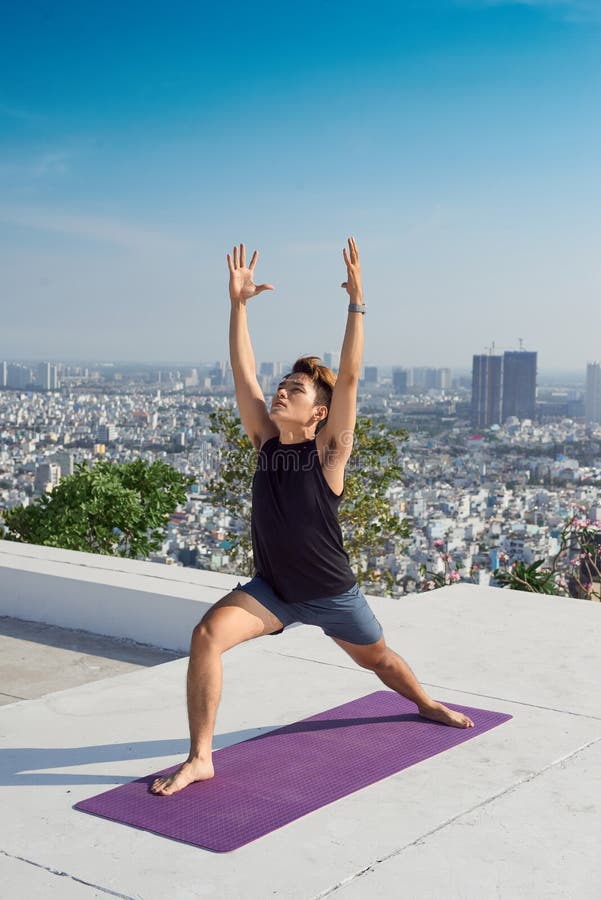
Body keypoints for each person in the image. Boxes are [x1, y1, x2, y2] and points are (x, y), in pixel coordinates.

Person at [151, 238, 473, 797]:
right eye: (282, 385)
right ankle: (200, 757)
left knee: (381, 661)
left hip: (331, 592)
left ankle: (426, 702)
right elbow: (243, 374)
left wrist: (357, 304)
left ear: (317, 412)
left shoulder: (329, 455)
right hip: (274, 591)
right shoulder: (264, 443)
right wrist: (238, 305)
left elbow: (348, 379)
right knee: (206, 635)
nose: (279, 391)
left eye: (293, 389)